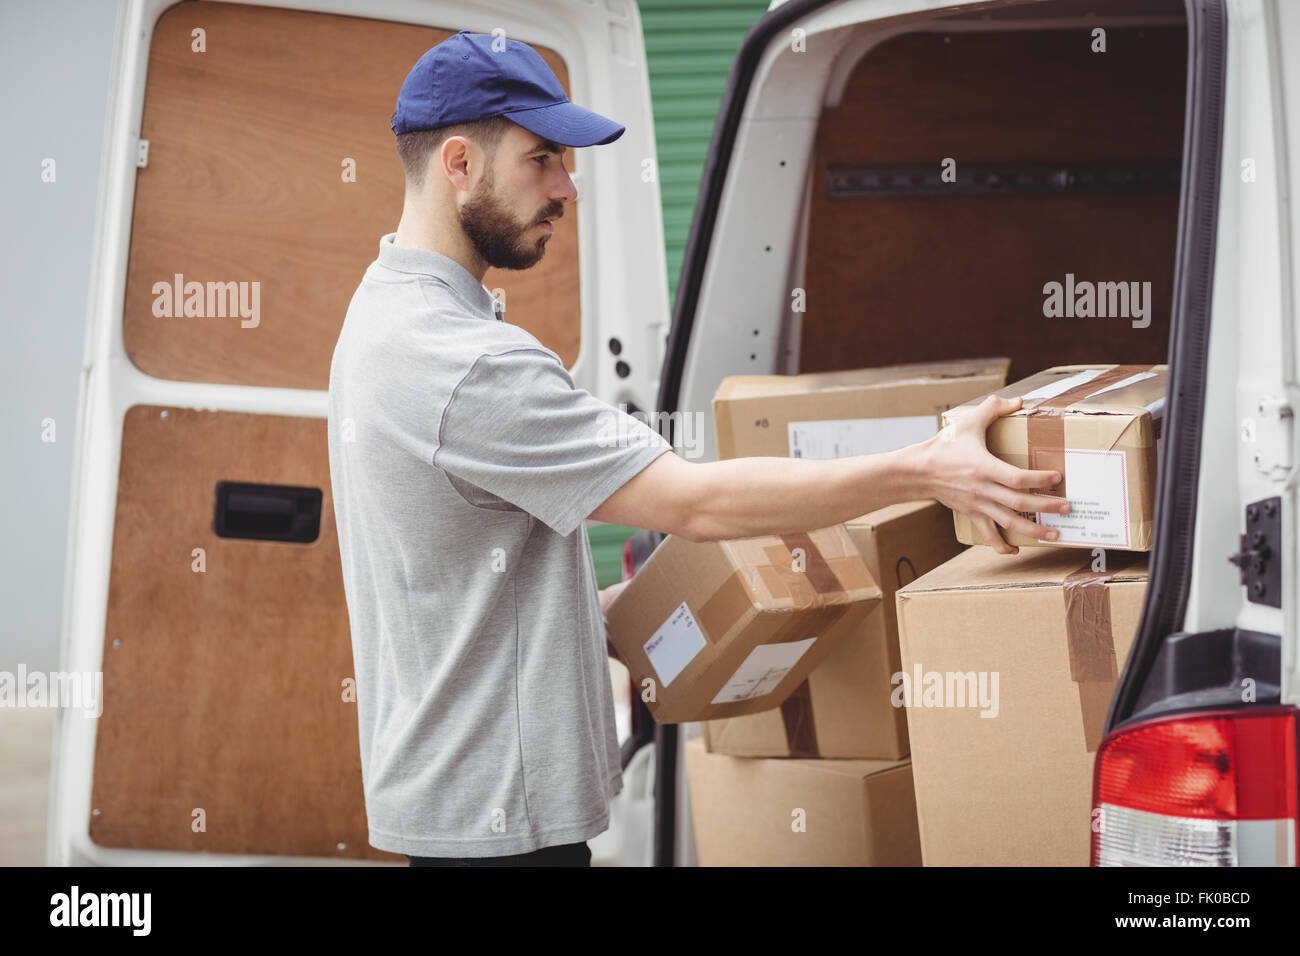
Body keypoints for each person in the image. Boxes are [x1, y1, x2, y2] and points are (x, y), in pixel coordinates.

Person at [326, 30, 1069, 868]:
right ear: (458, 163)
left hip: (456, 794)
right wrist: (927, 467)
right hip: (500, 819)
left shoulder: (383, 312)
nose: (567, 188)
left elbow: (454, 563)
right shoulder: (466, 362)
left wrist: (597, 613)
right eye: (542, 160)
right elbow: (695, 502)